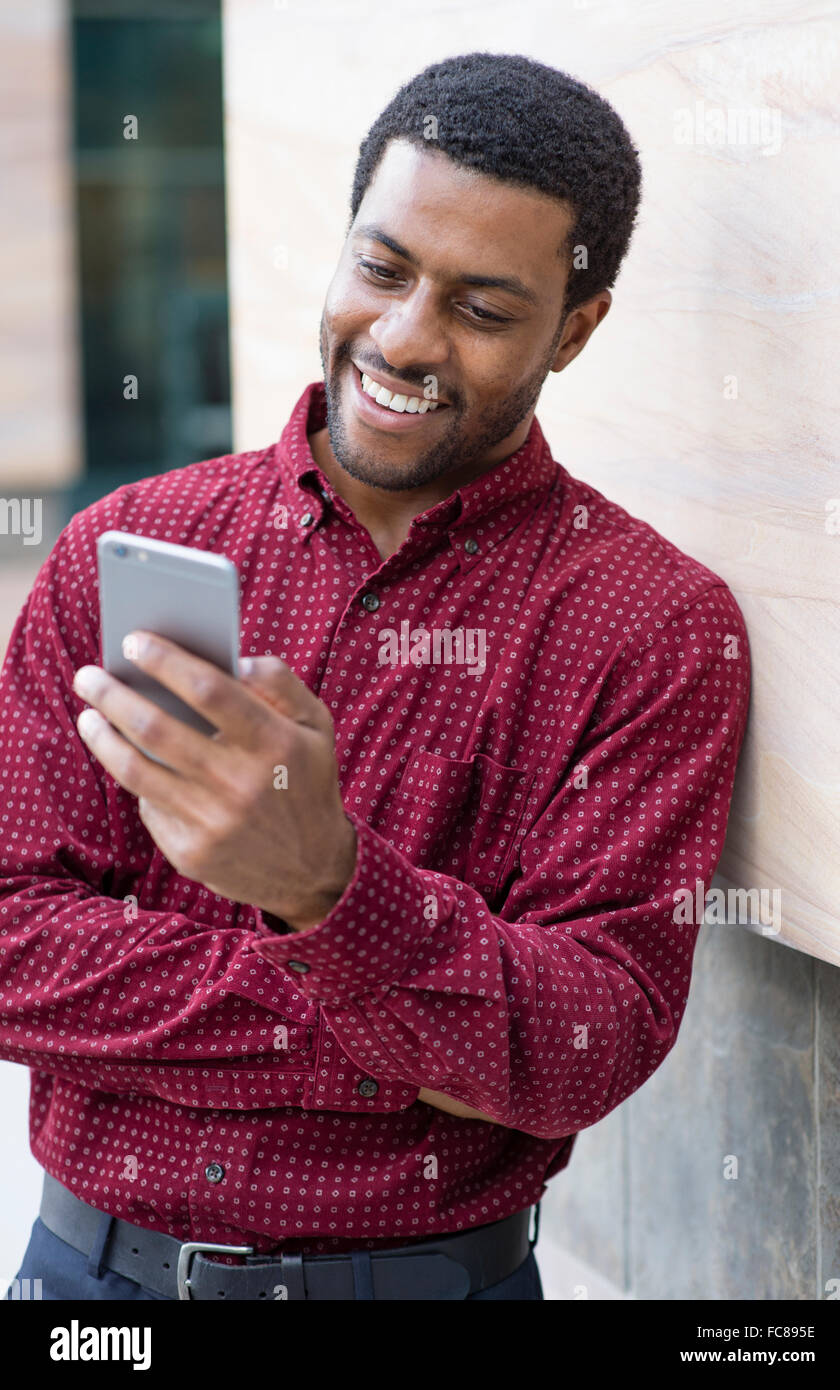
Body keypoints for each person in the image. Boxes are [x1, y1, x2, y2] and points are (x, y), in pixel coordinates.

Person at [1, 52, 750, 1302]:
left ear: (576, 327)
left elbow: (586, 1041)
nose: (404, 338)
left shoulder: (653, 627)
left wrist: (326, 883)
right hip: (91, 1291)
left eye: (483, 307)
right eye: (383, 267)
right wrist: (381, 1013)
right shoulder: (122, 546)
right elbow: (12, 942)